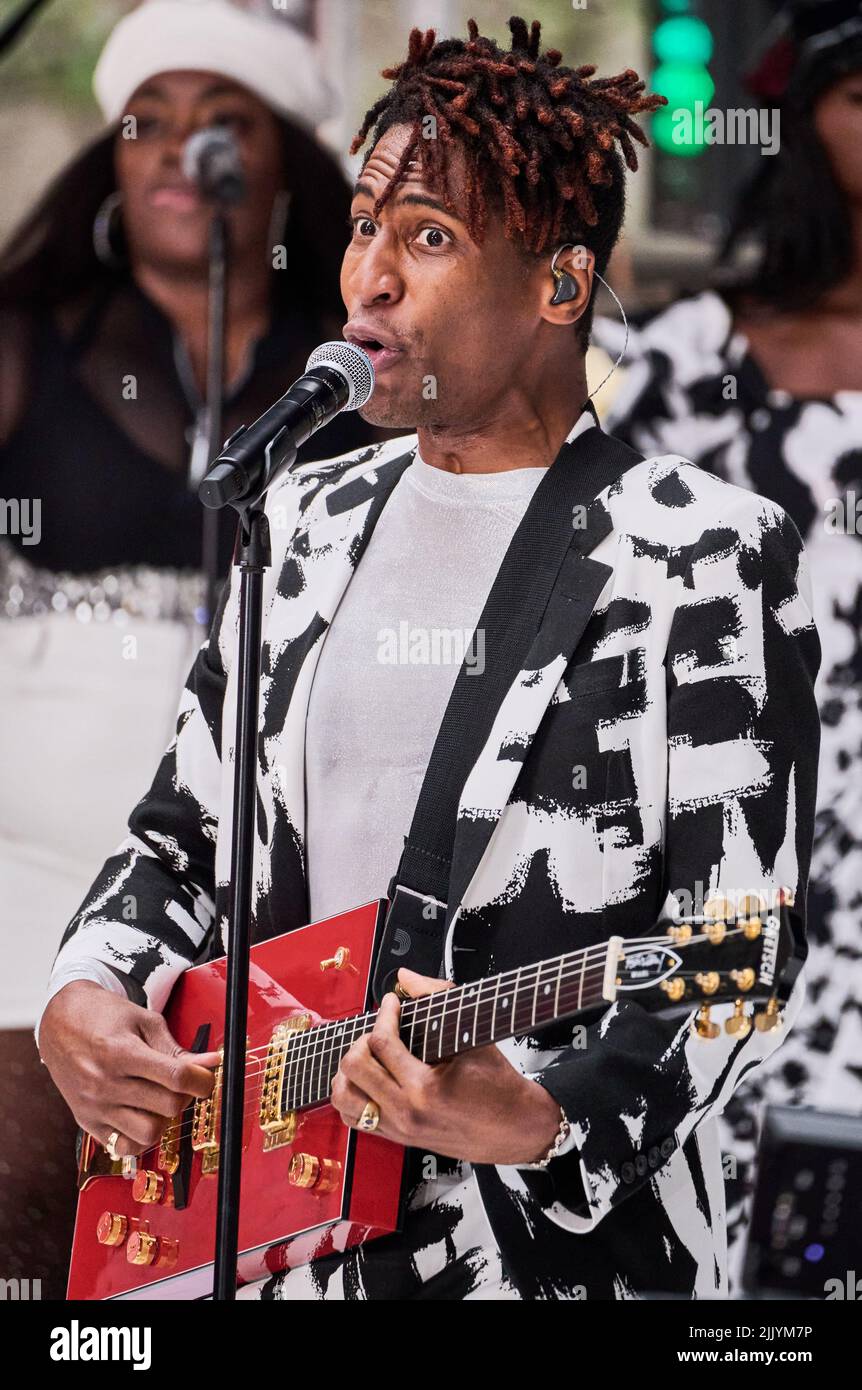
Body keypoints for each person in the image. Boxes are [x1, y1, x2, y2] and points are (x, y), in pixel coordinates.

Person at [37, 15, 820, 1301]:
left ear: (560, 286)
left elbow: (737, 944)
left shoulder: (700, 552)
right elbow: (179, 837)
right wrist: (86, 986)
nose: (369, 282)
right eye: (361, 228)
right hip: (277, 1244)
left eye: (429, 238)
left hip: (551, 1261)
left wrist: (540, 1118)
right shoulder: (305, 515)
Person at [0, 0, 380, 1298]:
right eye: (146, 127)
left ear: (281, 165)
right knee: (31, 1188)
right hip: (27, 858)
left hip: (259, 884)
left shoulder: (352, 369)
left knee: (197, 1228)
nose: (177, 153)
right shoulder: (28, 339)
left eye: (220, 128)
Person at [595, 0, 862, 1284]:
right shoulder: (695, 358)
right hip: (759, 854)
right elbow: (606, 616)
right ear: (806, 119)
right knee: (752, 1255)